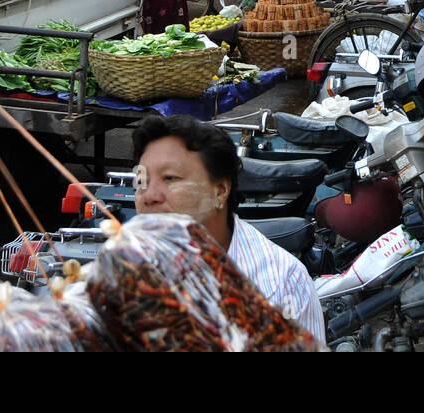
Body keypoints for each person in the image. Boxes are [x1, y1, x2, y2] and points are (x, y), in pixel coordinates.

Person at [132, 115, 325, 344]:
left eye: (170, 178)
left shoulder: (282, 285)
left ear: (220, 191)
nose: (149, 196)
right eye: (142, 182)